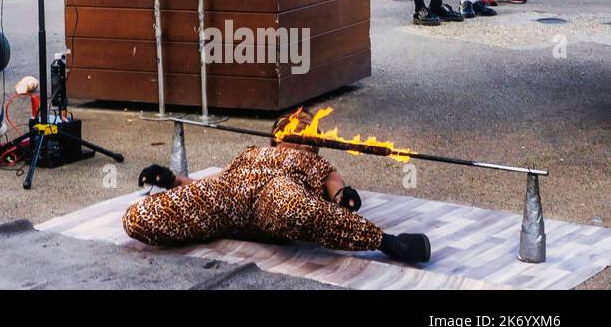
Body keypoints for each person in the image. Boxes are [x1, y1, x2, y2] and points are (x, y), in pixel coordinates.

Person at [122, 109, 431, 264]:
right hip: (230, 195)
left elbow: (336, 190)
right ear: (276, 136)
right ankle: (216, 226)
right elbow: (213, 184)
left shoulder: (317, 163)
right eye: (290, 126)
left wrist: (344, 197)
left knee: (299, 210)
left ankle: (387, 242)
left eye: (304, 127)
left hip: (277, 196)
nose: (297, 128)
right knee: (138, 216)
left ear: (313, 142)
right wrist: (173, 180)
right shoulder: (254, 152)